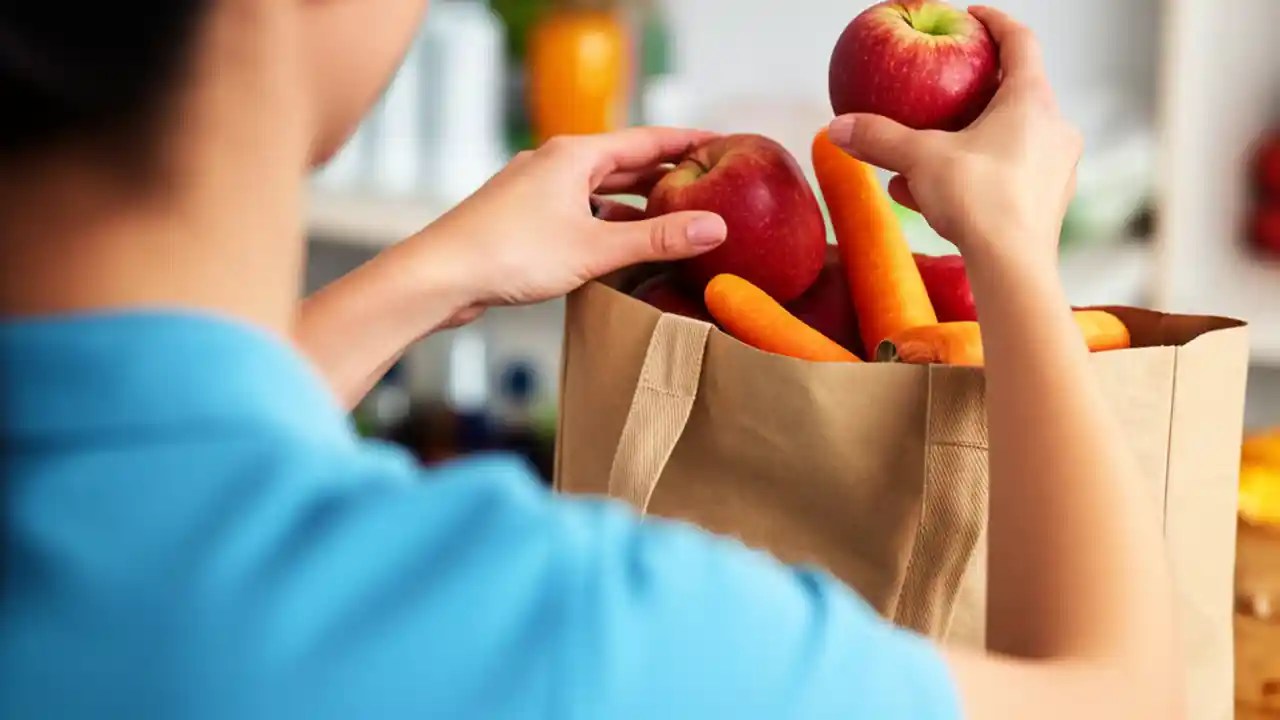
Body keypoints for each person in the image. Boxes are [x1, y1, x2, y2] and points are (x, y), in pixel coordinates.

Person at [0, 1, 1183, 718]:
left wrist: (431, 271)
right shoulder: (548, 631)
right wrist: (1014, 250)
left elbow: (144, 488)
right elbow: (1118, 701)